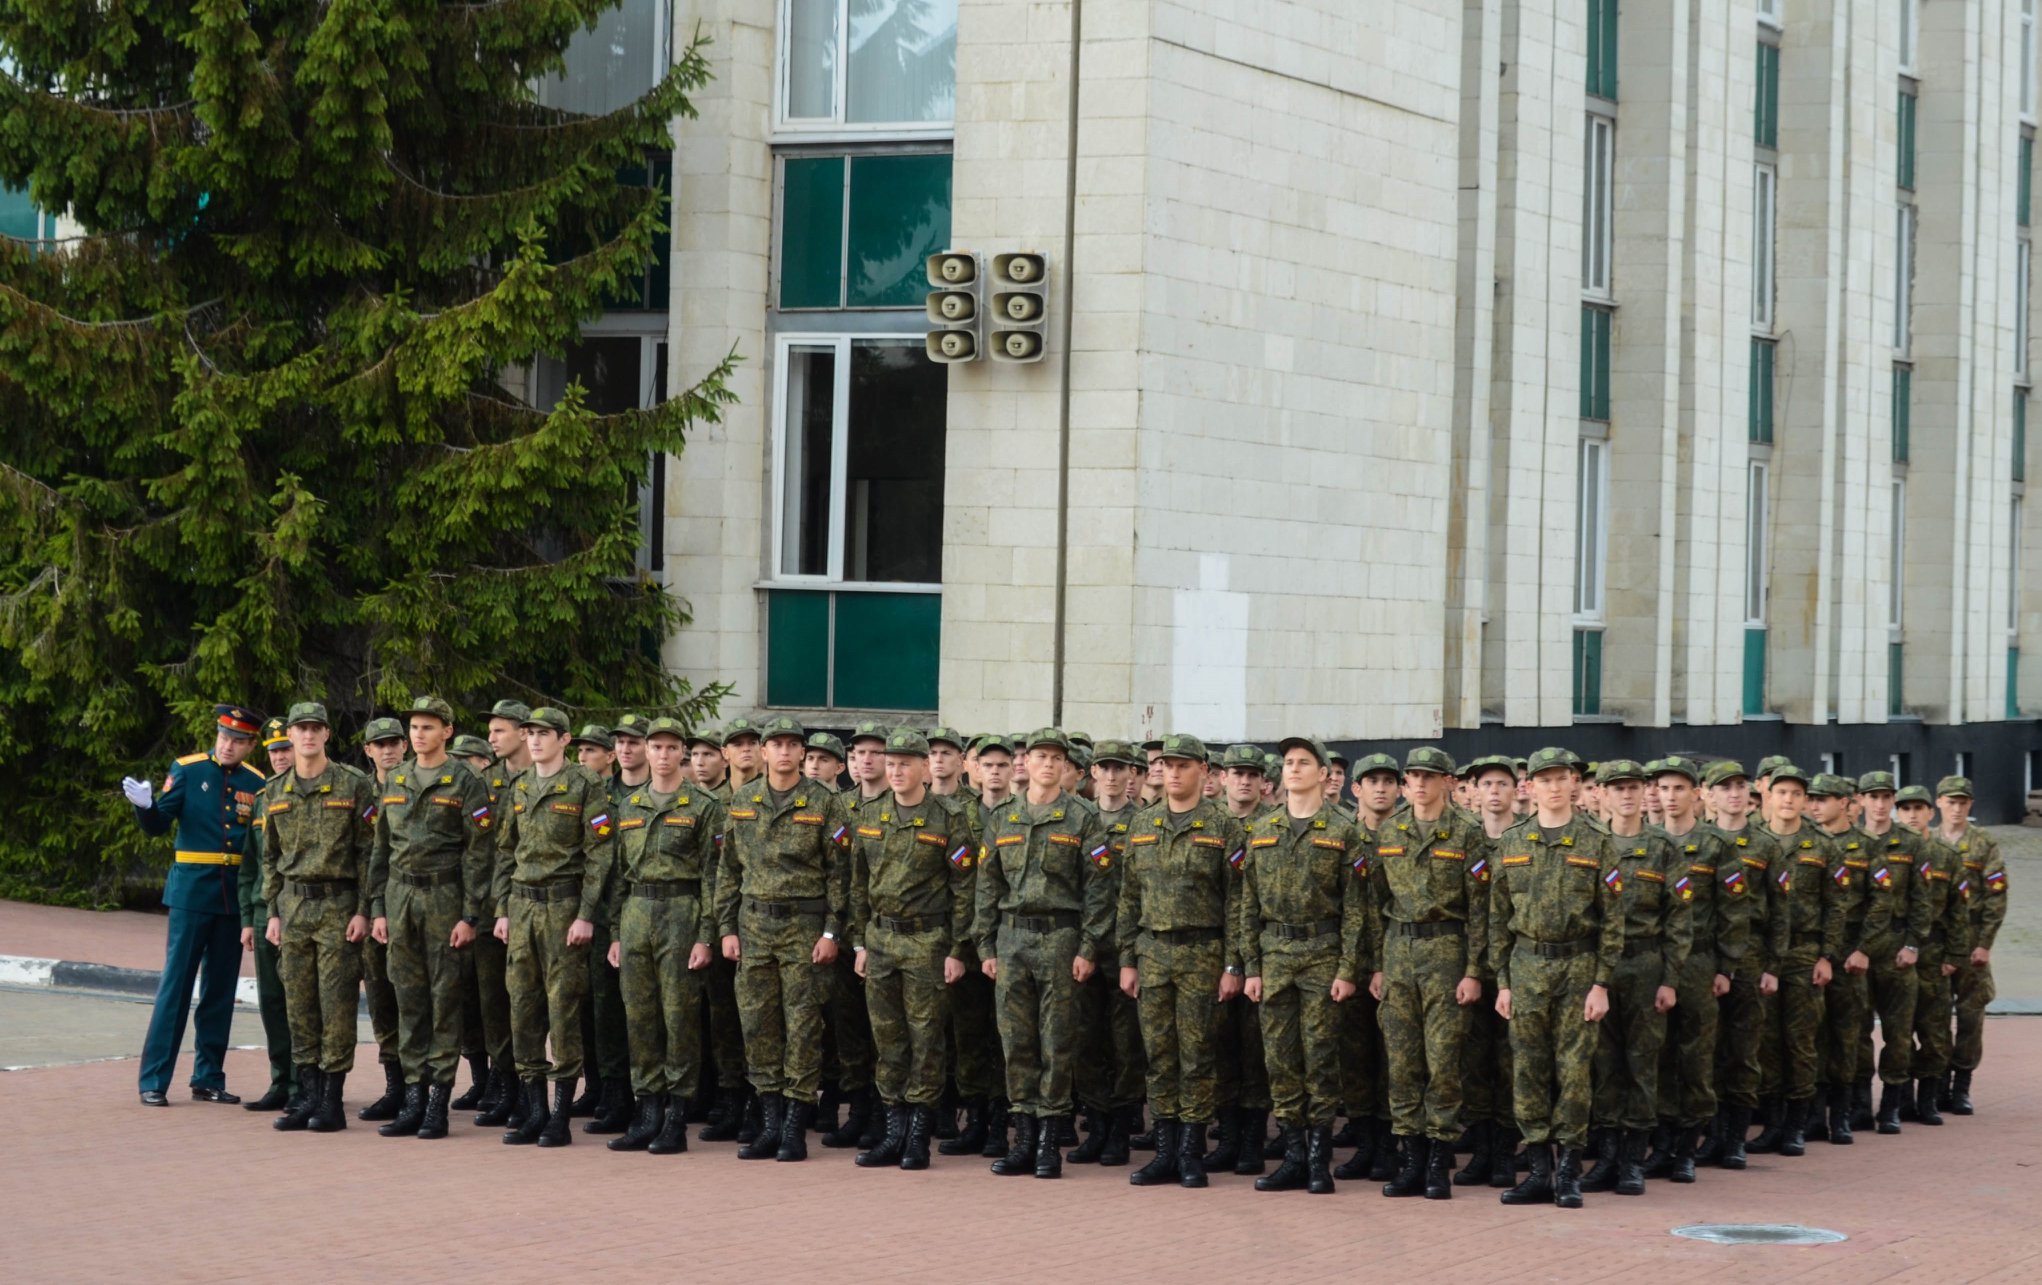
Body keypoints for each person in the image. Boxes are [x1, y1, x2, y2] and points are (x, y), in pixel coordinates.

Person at [975, 728, 1112, 1179]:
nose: (1048, 764)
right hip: (1011, 940)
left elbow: (1098, 889)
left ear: (1066, 765)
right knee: (1016, 1041)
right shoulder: (1003, 817)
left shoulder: (1083, 818)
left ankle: (1050, 1140)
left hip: (1061, 940)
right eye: (1040, 756)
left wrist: (1089, 945)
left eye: (1057, 757)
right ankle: (1023, 1138)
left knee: (1056, 1040)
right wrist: (985, 943)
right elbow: (987, 885)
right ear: (1026, 763)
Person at [714, 715, 853, 1162]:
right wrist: (726, 927)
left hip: (804, 928)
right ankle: (769, 1124)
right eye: (779, 744)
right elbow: (728, 869)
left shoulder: (825, 803)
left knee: (803, 1027)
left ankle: (794, 1126)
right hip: (753, 927)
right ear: (765, 750)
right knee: (758, 1026)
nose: (788, 753)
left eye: (797, 746)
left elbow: (840, 874)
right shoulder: (743, 799)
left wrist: (832, 931)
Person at [1488, 746, 1621, 1210]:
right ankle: (1538, 1169)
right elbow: (1497, 917)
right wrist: (1502, 980)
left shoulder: (1598, 841)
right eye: (1544, 779)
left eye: (1562, 777)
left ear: (1575, 783)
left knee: (1574, 1072)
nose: (1554, 786)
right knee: (1527, 1070)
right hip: (1526, 967)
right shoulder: (1512, 841)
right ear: (1531, 787)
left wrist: (1601, 983)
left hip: (1578, 967)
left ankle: (1569, 1172)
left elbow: (1612, 921)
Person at [1236, 736, 1367, 1195]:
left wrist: (1348, 969)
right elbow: (1248, 903)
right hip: (1274, 956)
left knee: (1320, 1059)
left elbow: (1356, 909)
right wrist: (1251, 966)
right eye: (1288, 762)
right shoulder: (1263, 827)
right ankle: (1292, 1154)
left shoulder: (1345, 830)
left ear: (1323, 773)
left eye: (1303, 762)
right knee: (1280, 1059)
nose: (1293, 769)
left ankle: (1318, 1161)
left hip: (1322, 954)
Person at [1119, 734, 1248, 1189]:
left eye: (1184, 765)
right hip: (1152, 953)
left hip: (1202, 953)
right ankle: (1164, 1151)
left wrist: (1234, 964)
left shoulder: (1224, 827)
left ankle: (1191, 1151)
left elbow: (1237, 902)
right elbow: (1129, 896)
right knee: (1159, 1055)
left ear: (1204, 772)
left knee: (1196, 1055)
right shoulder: (1143, 824)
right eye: (1168, 765)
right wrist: (1127, 958)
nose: (1173, 772)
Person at [364, 696, 495, 1139]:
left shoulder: (465, 781)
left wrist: (470, 915)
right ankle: (413, 1098)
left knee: (444, 1001)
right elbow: (381, 849)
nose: (419, 734)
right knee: (408, 999)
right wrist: (378, 906)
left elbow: (479, 854)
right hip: (400, 897)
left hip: (444, 897)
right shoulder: (396, 779)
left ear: (447, 732)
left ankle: (437, 1100)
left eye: (428, 727)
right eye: (414, 727)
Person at [125, 703, 267, 1107]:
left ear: (250, 745)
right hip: (191, 895)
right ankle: (153, 1080)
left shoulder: (255, 783)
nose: (228, 746)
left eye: (238, 741)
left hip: (232, 898)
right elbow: (157, 827)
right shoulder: (188, 769)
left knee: (220, 991)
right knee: (176, 986)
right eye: (224, 737)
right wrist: (145, 807)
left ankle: (208, 1077)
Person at [846, 728, 973, 1170]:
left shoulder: (949, 817)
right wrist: (859, 942)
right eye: (891, 763)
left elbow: (965, 889)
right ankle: (892, 1131)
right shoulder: (870, 813)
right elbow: (857, 885)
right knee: (888, 1039)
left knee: (926, 1039)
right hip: (880, 941)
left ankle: (918, 1135)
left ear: (924, 767)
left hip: (928, 942)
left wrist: (957, 949)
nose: (896, 771)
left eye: (905, 763)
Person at [1368, 746, 1491, 1201]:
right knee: (1401, 1063)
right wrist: (1378, 964)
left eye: (1429, 776)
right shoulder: (1391, 830)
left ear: (1449, 782)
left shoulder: (1468, 833)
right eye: (1413, 776)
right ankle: (1410, 1158)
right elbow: (1375, 904)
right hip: (1399, 952)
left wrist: (1474, 969)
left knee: (1442, 1062)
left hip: (1447, 954)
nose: (1419, 784)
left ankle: (1438, 1158)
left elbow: (1481, 910)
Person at [491, 706, 615, 1147]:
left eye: (545, 733)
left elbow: (600, 854)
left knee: (563, 1010)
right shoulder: (520, 786)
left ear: (565, 740)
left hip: (564, 907)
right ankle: (534, 1110)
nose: (536, 740)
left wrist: (585, 914)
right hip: (522, 907)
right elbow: (505, 851)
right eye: (531, 733)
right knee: (522, 1008)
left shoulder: (586, 785)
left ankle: (561, 1115)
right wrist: (501, 910)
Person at [605, 716, 726, 1155]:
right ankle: (647, 1112)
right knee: (639, 1017)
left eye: (671, 748)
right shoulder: (629, 805)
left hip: (682, 912)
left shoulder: (703, 805)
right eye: (654, 747)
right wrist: (617, 932)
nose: (662, 755)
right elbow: (618, 873)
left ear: (683, 755)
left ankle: (676, 1116)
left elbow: (715, 877)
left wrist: (705, 935)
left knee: (679, 1018)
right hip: (637, 912)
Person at [261, 702, 379, 1132]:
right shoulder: (275, 791)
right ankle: (306, 1095)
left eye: (315, 729)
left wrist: (365, 910)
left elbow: (369, 853)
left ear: (327, 734)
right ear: (289, 737)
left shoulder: (353, 784)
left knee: (337, 1005)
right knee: (300, 1005)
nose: (308, 736)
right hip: (292, 908)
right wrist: (271, 911)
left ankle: (331, 1100)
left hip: (338, 906)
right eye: (300, 729)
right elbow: (269, 858)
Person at [1577, 761, 1689, 1197]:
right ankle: (1605, 1155)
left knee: (1642, 1063)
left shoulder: (1663, 848)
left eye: (1633, 788)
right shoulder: (1588, 841)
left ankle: (1632, 1161)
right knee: (1602, 1063)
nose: (1626, 795)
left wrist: (1670, 978)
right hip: (1597, 969)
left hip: (1645, 966)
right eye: (1617, 788)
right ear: (1602, 794)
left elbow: (1680, 920)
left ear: (1646, 794)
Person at [1068, 738, 1145, 1166]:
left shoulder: (1144, 823)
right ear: (1092, 773)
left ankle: (1120, 1128)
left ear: (1131, 774)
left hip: (1124, 949)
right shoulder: (1077, 819)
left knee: (1125, 1043)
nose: (1113, 776)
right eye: (1105, 768)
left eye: (1121, 769)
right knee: (1085, 1040)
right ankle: (1095, 1126)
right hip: (1081, 946)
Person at [1204, 742, 1274, 1176]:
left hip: (1262, 955)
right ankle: (1227, 1136)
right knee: (1218, 1049)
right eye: (1237, 773)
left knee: (1256, 1050)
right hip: (1209, 953)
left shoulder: (1275, 825)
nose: (1244, 781)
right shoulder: (1208, 823)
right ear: (1223, 778)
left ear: (1265, 783)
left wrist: (1243, 962)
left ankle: (1252, 1139)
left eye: (1252, 774)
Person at [1759, 766, 1837, 1157]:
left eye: (1795, 794)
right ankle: (1772, 1122)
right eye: (1782, 792)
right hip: (1762, 955)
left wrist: (1826, 956)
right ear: (1768, 796)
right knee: (1767, 1041)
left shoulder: (1822, 846)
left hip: (1804, 954)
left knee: (1801, 1041)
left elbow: (1836, 906)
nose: (1788, 800)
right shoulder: (1754, 842)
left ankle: (1796, 1125)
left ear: (1805, 801)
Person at [1646, 757, 1717, 1181]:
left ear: (1696, 793)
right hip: (1656, 961)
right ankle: (1662, 1143)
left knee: (1695, 1056)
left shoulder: (1715, 845)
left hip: (1699, 964)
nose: (1670, 797)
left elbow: (1733, 912)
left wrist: (1724, 968)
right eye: (1664, 789)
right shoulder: (1649, 843)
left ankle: (1688, 1147)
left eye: (1678, 789)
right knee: (1659, 1054)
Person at [1851, 771, 1929, 1134]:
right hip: (1861, 950)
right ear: (1861, 801)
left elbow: (1921, 900)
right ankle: (1861, 1104)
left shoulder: (1912, 843)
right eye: (1873, 797)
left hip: (1897, 947)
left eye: (1886, 798)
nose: (1880, 805)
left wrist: (1913, 944)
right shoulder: (1850, 842)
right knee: (1858, 1030)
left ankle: (1892, 1106)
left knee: (1898, 1032)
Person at [1456, 755, 1522, 1187]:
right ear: (1475, 792)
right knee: (1473, 1060)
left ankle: (1506, 1151)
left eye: (1503, 783)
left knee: (1513, 1060)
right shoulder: (1463, 839)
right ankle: (1480, 1148)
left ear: (1516, 791)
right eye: (1487, 784)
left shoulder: (1526, 840)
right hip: (1467, 967)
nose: (1494, 791)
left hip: (1518, 968)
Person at [468, 699, 530, 1129]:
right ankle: (503, 1082)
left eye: (500, 731)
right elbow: (474, 849)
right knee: (493, 1001)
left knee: (530, 1002)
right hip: (492, 908)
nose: (491, 739)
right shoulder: (482, 783)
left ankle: (531, 1087)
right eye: (490, 732)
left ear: (524, 732)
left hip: (534, 906)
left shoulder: (546, 779)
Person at [570, 722, 634, 1134]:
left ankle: (620, 1094)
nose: (582, 758)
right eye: (581, 751)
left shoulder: (633, 797)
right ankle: (596, 1086)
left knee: (616, 1008)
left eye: (592, 751)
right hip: (586, 911)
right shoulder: (586, 794)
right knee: (588, 1006)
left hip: (622, 913)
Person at [1894, 785, 1968, 1125]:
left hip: (1934, 953)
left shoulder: (1946, 855)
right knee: (1898, 1030)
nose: (1911, 814)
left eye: (1918, 808)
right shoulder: (1889, 850)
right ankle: (1902, 1099)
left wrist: (1954, 953)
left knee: (1935, 1031)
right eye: (1905, 808)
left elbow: (1958, 911)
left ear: (1930, 813)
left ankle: (1928, 1099)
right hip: (1896, 952)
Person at [237, 717, 299, 1113]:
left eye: (285, 749)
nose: (279, 757)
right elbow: (250, 867)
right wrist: (246, 918)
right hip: (264, 915)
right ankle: (281, 1080)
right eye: (274, 752)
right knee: (272, 1001)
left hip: (302, 911)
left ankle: (308, 1084)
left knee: (304, 1001)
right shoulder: (262, 799)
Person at [1939, 775, 2006, 1115]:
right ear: (1939, 804)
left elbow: (1996, 895)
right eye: (1951, 802)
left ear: (1970, 806)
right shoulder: (1927, 841)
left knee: (1970, 1016)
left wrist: (1985, 943)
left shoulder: (1984, 844)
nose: (1957, 808)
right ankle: (1937, 1082)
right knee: (1933, 1017)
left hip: (1971, 943)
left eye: (1963, 802)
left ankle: (1961, 1084)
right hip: (1937, 944)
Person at [355, 717, 411, 1122]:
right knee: (379, 996)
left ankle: (417, 1084)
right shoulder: (358, 790)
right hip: (368, 906)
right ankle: (394, 1084)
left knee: (412, 995)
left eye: (394, 742)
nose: (387, 750)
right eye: (380, 744)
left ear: (404, 746)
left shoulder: (413, 783)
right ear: (368, 750)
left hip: (412, 903)